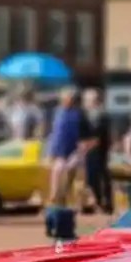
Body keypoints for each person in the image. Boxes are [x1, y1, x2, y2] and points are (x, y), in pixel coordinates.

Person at [45, 88, 84, 239]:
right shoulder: (58, 113)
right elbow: (55, 135)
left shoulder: (77, 114)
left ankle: (63, 223)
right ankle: (53, 222)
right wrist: (52, 153)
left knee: (67, 188)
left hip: (71, 154)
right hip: (59, 155)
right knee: (56, 191)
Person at [79, 88, 113, 215]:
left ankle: (107, 203)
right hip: (89, 151)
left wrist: (90, 144)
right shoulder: (84, 115)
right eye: (87, 100)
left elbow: (103, 135)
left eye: (92, 100)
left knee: (103, 175)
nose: (89, 103)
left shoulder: (103, 115)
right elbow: (81, 133)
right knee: (91, 177)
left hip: (101, 151)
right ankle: (95, 202)